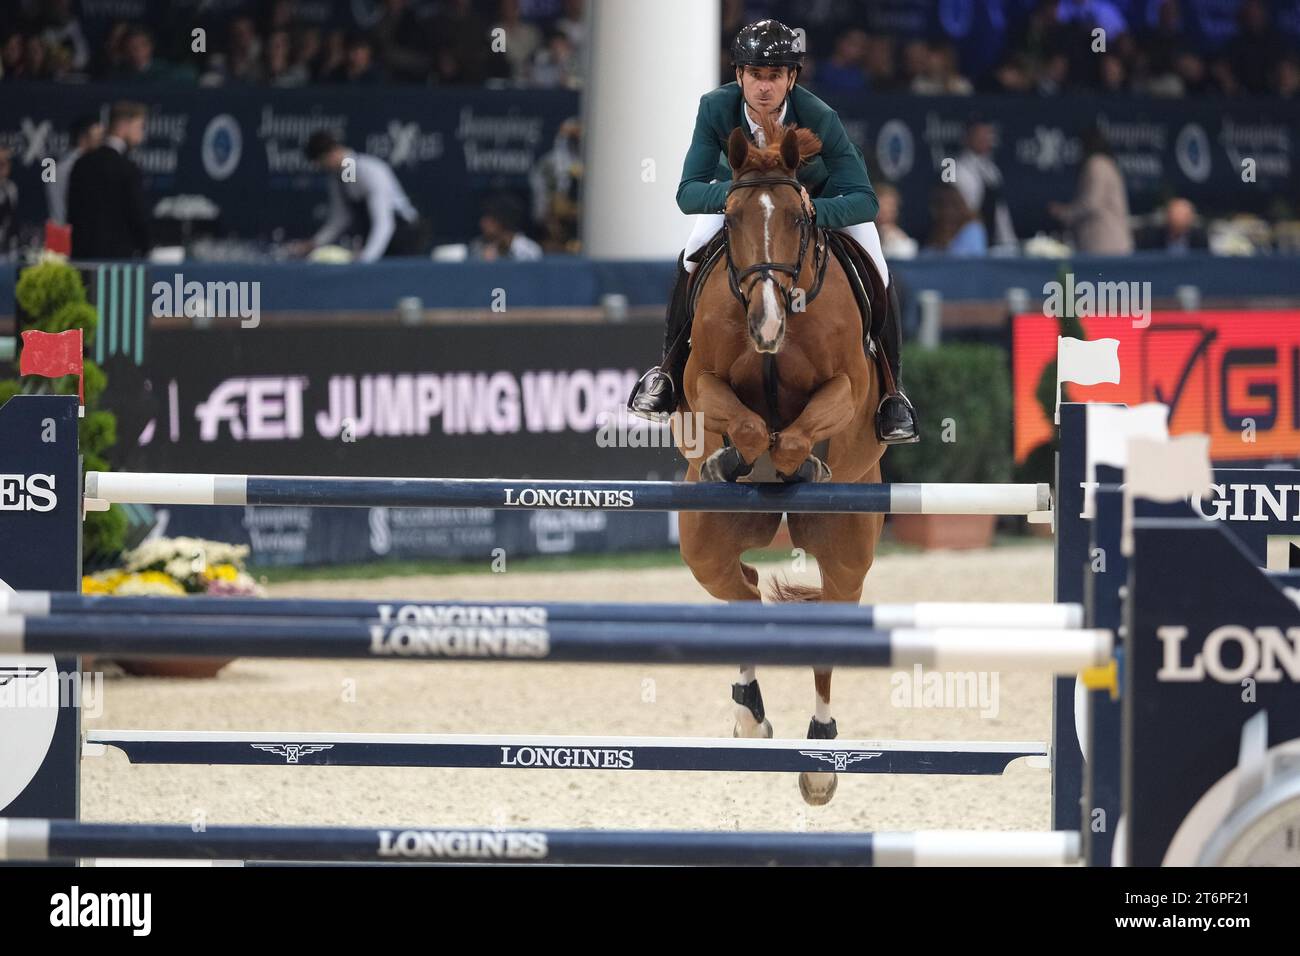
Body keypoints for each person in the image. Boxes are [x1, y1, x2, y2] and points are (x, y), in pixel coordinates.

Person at [627, 19, 918, 444]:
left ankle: (893, 392)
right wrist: (738, 196)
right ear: (739, 75)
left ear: (791, 79)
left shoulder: (819, 116)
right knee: (692, 249)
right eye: (756, 74)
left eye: (775, 75)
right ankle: (667, 372)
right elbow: (688, 193)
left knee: (874, 255)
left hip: (815, 201)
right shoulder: (715, 108)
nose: (764, 87)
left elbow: (865, 199)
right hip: (743, 203)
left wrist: (814, 209)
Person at [300, 130, 426, 261]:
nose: (324, 167)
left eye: (323, 162)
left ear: (331, 153)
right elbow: (341, 218)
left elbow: (384, 223)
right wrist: (315, 243)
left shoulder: (370, 171)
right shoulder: (341, 175)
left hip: (403, 236)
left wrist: (366, 258)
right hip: (377, 240)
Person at [66, 100, 152, 260]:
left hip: (82, 259)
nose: (142, 135)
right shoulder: (127, 168)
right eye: (140, 127)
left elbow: (71, 215)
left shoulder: (81, 164)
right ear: (124, 126)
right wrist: (147, 249)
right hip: (118, 264)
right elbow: (138, 218)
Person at [1048, 125, 1133, 254]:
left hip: (1105, 243)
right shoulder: (1107, 163)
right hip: (1111, 243)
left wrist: (1065, 213)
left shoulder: (1097, 164)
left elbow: (1091, 202)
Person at [953, 118, 1016, 251]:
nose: (985, 140)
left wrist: (1009, 243)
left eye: (988, 136)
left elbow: (1000, 213)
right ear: (967, 138)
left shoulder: (992, 170)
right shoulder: (956, 169)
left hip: (992, 243)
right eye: (980, 135)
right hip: (964, 242)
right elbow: (954, 212)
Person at [47, 114, 103, 226]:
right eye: (98, 138)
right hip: (71, 230)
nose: (102, 143)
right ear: (83, 138)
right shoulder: (72, 167)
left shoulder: (62, 166)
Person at [468, 194, 542, 261]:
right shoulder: (477, 246)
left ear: (502, 221)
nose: (482, 223)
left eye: (488, 219)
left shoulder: (529, 250)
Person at [924, 184, 987, 256]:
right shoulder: (935, 232)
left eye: (954, 204)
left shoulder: (973, 229)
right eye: (941, 204)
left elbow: (964, 260)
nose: (947, 211)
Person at [1136, 197, 1207, 253]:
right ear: (1167, 217)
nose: (1178, 219)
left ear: (1190, 219)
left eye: (1183, 216)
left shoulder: (1199, 238)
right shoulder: (1151, 237)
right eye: (1175, 215)